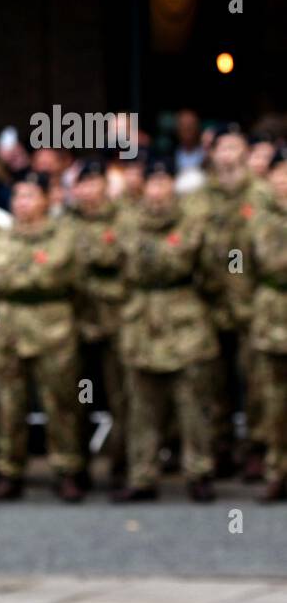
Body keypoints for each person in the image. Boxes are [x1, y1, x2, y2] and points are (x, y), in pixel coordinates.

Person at [114, 155, 218, 502]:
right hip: (142, 316)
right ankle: (142, 475)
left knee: (192, 402)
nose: (157, 189)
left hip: (184, 314)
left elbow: (207, 269)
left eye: (164, 182)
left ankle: (199, 471)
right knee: (142, 405)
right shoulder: (128, 218)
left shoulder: (192, 219)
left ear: (173, 184)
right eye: (152, 182)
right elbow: (125, 263)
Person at [0, 170, 84, 501]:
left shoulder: (64, 233)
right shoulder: (1, 235)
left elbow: (57, 270)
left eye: (29, 196)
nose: (22, 203)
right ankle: (9, 470)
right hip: (9, 326)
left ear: (46, 199)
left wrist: (24, 274)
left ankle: (67, 469)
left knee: (60, 401)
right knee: (9, 403)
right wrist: (31, 272)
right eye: (18, 196)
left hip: (53, 325)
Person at [187, 130, 262, 480]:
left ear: (247, 152)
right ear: (212, 153)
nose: (228, 155)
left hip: (254, 303)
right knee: (211, 382)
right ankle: (218, 447)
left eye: (235, 147)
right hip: (210, 304)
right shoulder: (197, 198)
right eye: (222, 148)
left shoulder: (262, 195)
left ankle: (258, 450)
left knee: (257, 381)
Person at [66, 159, 128, 488]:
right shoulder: (63, 223)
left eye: (94, 182)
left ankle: (121, 466)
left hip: (117, 320)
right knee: (76, 398)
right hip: (74, 321)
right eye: (82, 183)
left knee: (121, 397)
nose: (88, 189)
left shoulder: (123, 218)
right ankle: (75, 468)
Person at [247, 148, 287, 502]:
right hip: (270, 311)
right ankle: (277, 470)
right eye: (279, 174)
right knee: (272, 400)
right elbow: (238, 266)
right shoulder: (257, 218)